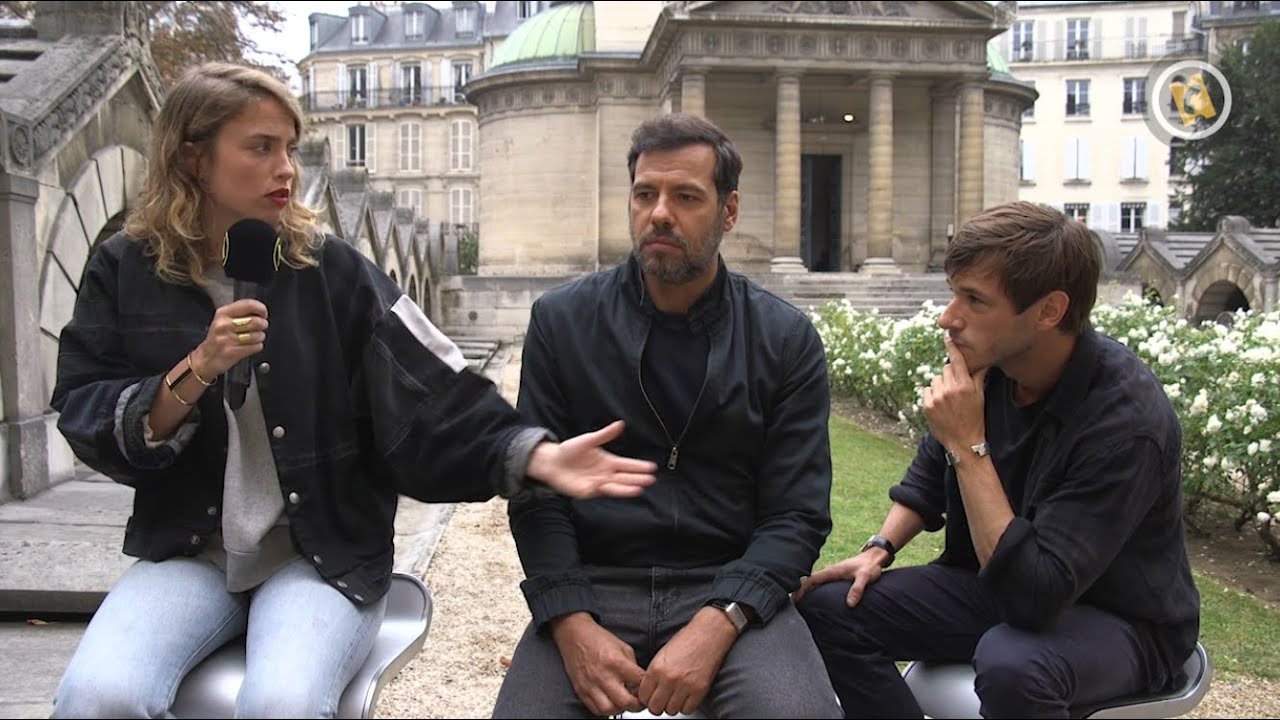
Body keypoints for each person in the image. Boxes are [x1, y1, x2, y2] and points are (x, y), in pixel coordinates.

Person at [48, 62, 657, 719]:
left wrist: (532, 455)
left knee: (282, 705)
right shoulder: (124, 267)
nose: (287, 167)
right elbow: (87, 408)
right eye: (260, 147)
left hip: (321, 554)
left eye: (289, 145)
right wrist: (200, 365)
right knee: (96, 698)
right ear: (194, 158)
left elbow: (433, 384)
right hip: (190, 551)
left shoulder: (330, 269)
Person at [491, 113, 842, 719]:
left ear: (729, 211)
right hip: (595, 588)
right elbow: (536, 497)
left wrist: (721, 621)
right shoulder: (564, 322)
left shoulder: (784, 339)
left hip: (730, 591)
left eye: (686, 197)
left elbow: (797, 515)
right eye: (645, 193)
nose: (659, 213)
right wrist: (570, 622)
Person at [795, 201, 1201, 718]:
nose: (948, 316)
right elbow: (929, 469)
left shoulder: (1126, 423)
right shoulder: (993, 369)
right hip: (1003, 583)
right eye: (953, 292)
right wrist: (879, 547)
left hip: (1122, 620)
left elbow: (1034, 597)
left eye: (974, 300)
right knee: (829, 608)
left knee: (1015, 664)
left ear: (1049, 311)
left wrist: (969, 447)